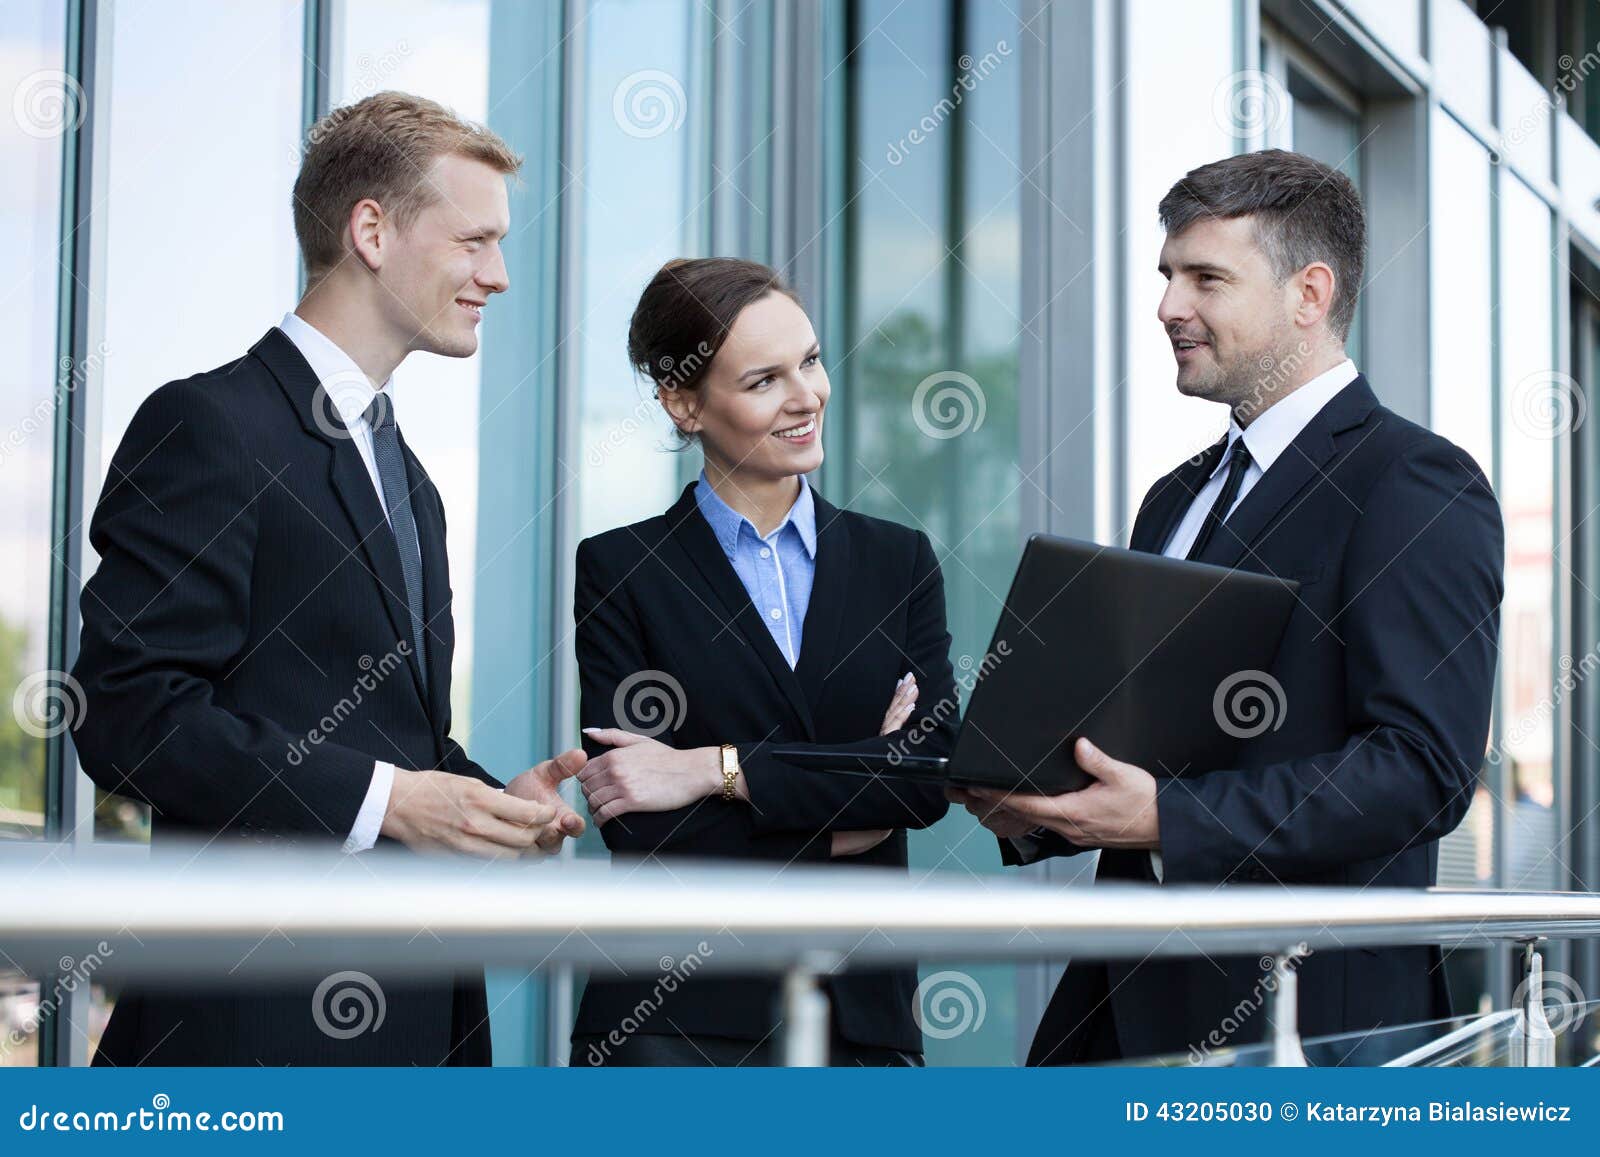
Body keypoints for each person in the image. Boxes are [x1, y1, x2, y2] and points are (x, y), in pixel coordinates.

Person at [954, 149, 1504, 1065]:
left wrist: (1168, 819)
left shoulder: (1415, 482)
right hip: (1121, 998)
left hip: (1302, 1021)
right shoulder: (1175, 495)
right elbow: (1152, 740)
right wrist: (1040, 800)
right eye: (1167, 275)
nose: (1169, 305)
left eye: (1206, 278)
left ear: (1309, 294)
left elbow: (1422, 769)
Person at [70, 91, 587, 1066]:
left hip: (418, 1023)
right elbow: (131, 715)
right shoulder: (212, 425)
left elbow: (381, 731)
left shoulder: (412, 480)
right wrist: (394, 801)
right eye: (474, 240)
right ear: (372, 232)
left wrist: (487, 805)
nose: (499, 274)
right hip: (255, 1033)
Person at [567, 257, 956, 1066]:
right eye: (763, 380)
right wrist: (853, 804)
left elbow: (924, 778)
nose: (806, 395)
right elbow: (641, 824)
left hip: (864, 1019)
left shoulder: (899, 563)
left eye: (810, 361)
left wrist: (713, 769)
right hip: (676, 1024)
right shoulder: (622, 571)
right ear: (684, 402)